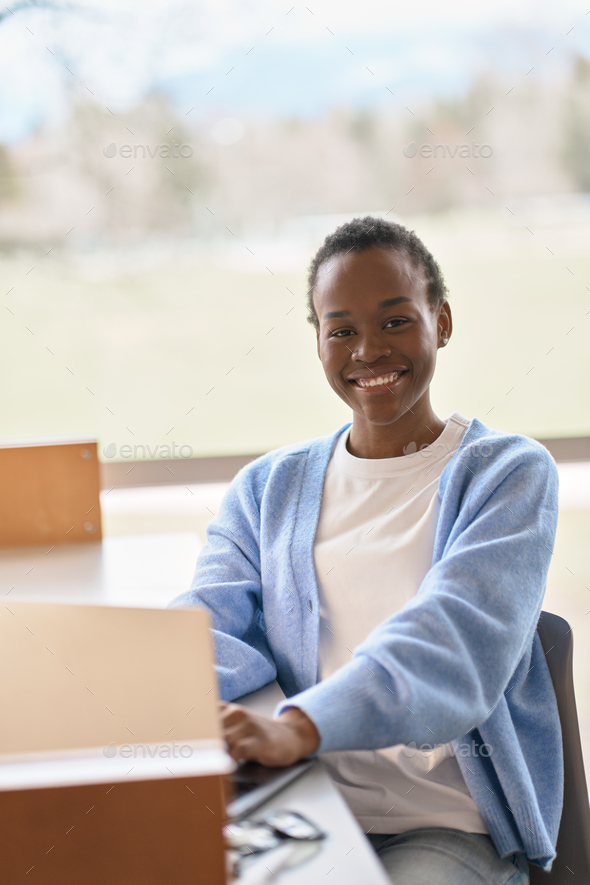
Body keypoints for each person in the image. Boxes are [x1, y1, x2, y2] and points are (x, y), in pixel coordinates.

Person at [170, 216, 562, 884]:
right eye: (342, 329)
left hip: (445, 824)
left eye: (395, 320)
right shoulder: (267, 488)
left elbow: (454, 642)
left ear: (441, 320)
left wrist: (300, 724)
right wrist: (144, 686)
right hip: (302, 802)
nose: (368, 351)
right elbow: (209, 626)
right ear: (318, 342)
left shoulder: (508, 474)